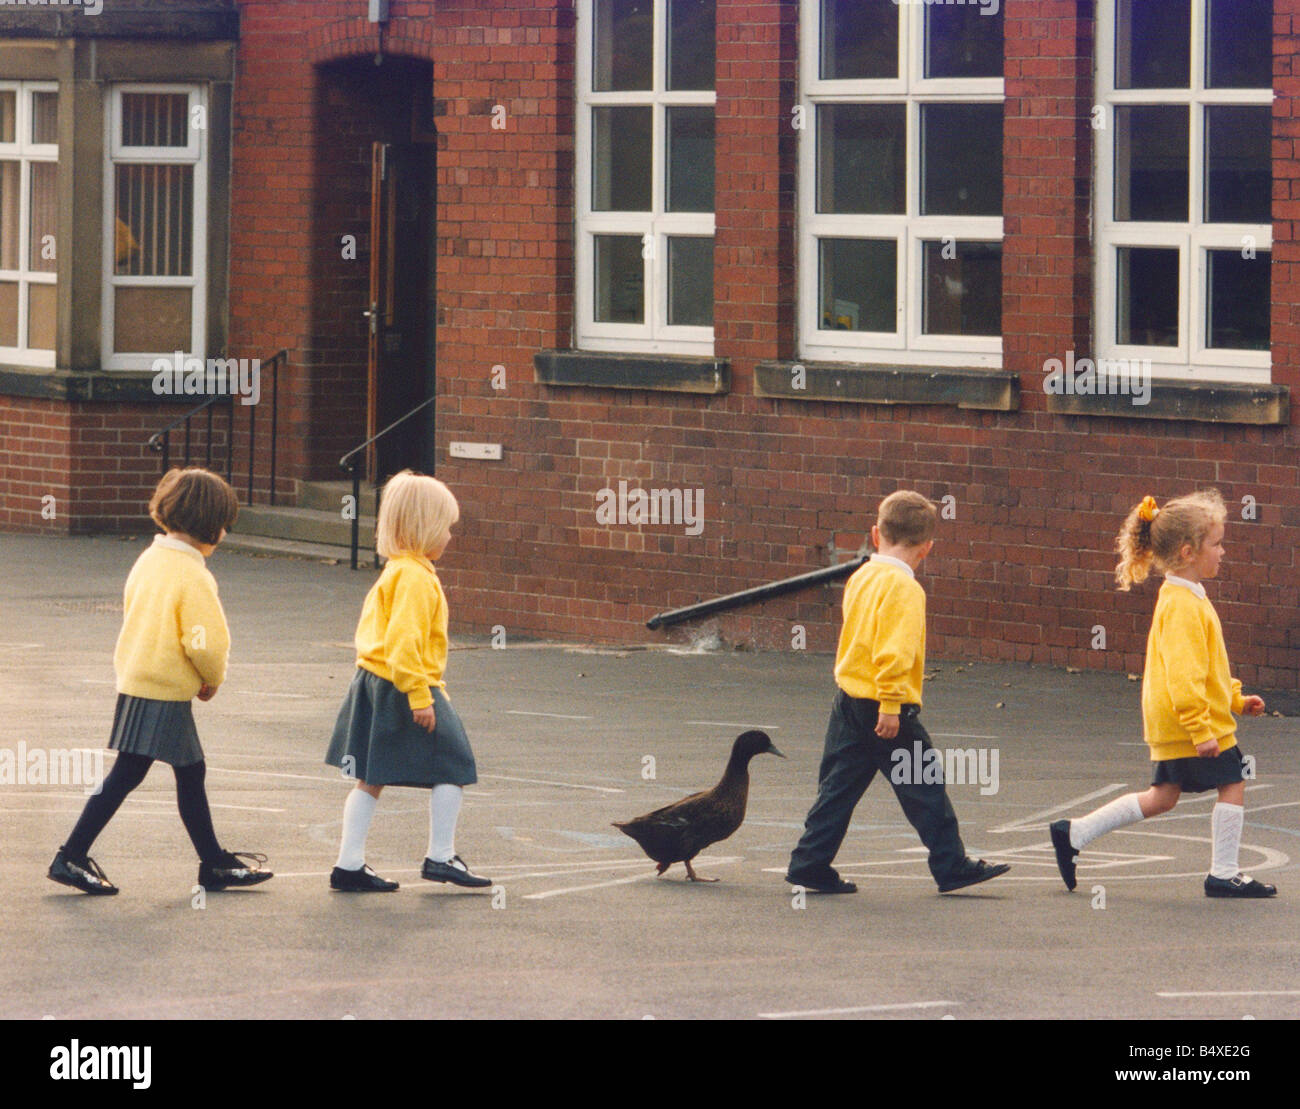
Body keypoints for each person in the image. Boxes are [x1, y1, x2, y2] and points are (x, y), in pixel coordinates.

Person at [48, 467, 273, 895]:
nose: (225, 533)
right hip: (165, 688)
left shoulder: (150, 559)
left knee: (176, 771)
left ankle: (212, 861)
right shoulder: (194, 575)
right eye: (224, 524)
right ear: (210, 525)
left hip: (139, 678)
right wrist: (212, 679)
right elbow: (206, 643)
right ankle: (72, 855)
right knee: (143, 772)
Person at [1050, 491, 1274, 898]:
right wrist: (1201, 727)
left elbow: (1209, 668)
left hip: (1180, 721)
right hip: (1191, 722)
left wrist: (1236, 700)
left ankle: (1074, 833)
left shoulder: (1185, 598)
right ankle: (1223, 873)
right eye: (1217, 544)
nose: (1223, 552)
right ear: (1189, 552)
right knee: (1234, 780)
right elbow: (1185, 677)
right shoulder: (1184, 606)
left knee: (1163, 796)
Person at [786, 490, 1010, 894]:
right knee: (925, 787)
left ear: (876, 534)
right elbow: (894, 652)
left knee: (837, 788)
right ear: (927, 549)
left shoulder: (861, 577)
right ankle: (951, 865)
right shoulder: (906, 590)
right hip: (885, 708)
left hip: (849, 700)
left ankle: (809, 861)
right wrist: (891, 704)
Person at [325, 470, 490, 892]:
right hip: (405, 683)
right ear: (425, 528)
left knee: (371, 775)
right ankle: (440, 857)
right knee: (455, 763)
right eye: (447, 527)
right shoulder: (416, 578)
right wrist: (421, 695)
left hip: (375, 682)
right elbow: (403, 643)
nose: (451, 536)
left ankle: (349, 864)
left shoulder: (398, 570)